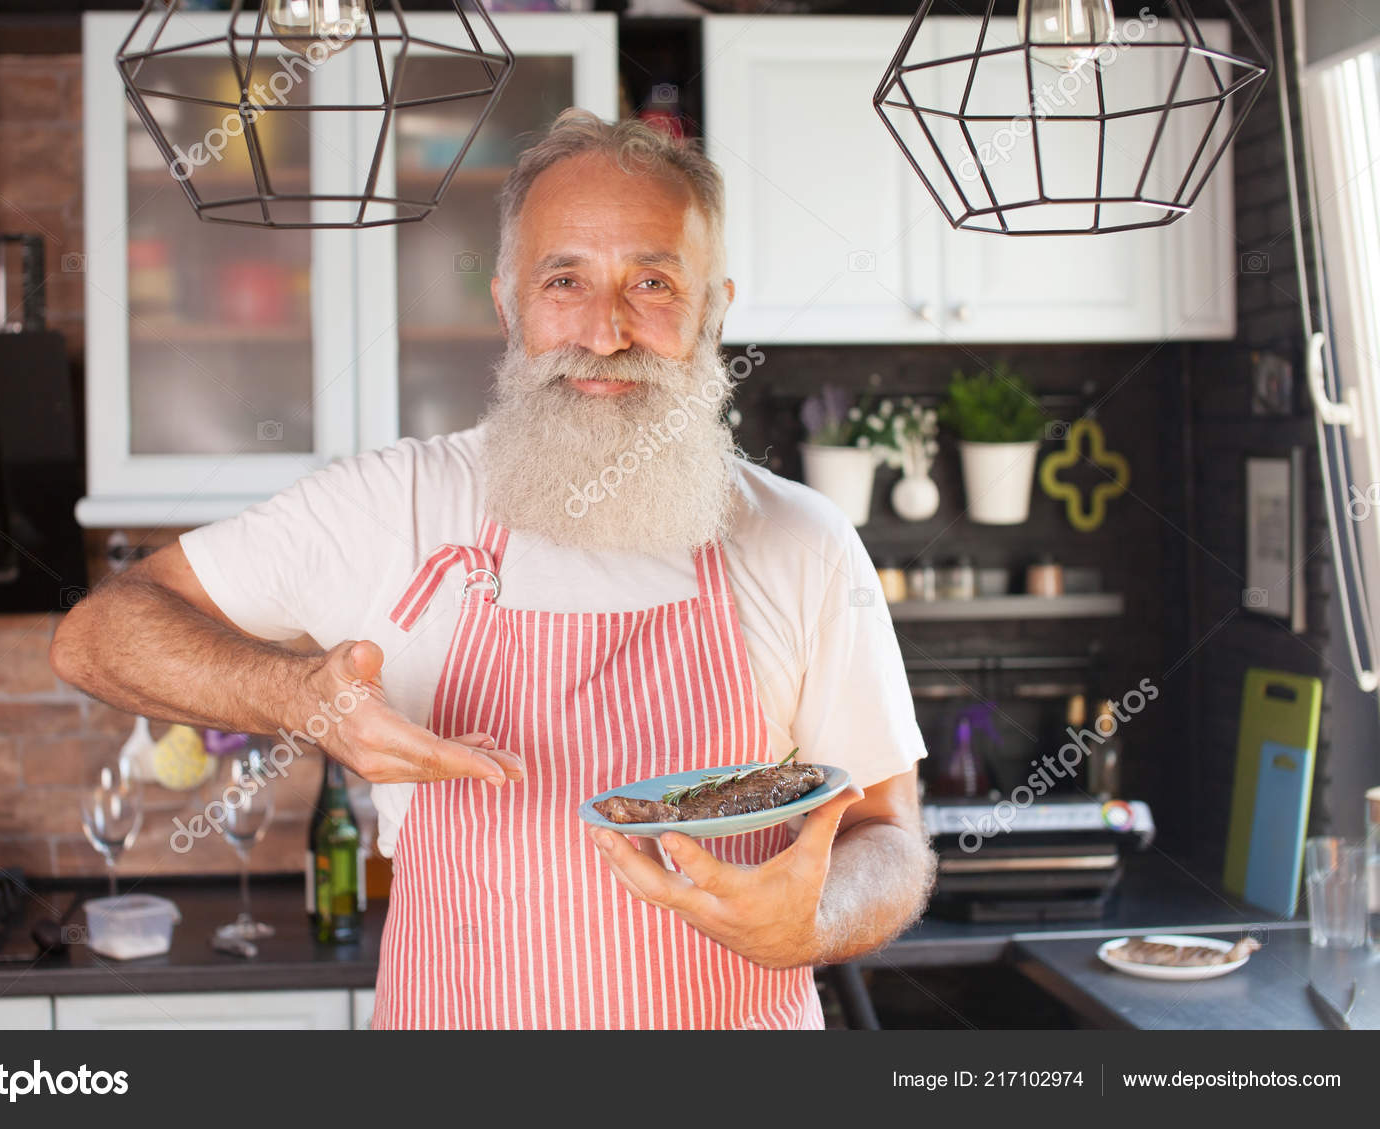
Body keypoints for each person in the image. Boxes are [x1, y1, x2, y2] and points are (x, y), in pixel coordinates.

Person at [51, 108, 934, 1029]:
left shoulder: (804, 539)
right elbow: (97, 635)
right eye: (565, 281)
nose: (604, 332)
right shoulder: (392, 509)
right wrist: (296, 696)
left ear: (713, 311)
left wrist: (816, 919)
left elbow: (887, 831)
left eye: (654, 283)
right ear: (509, 304)